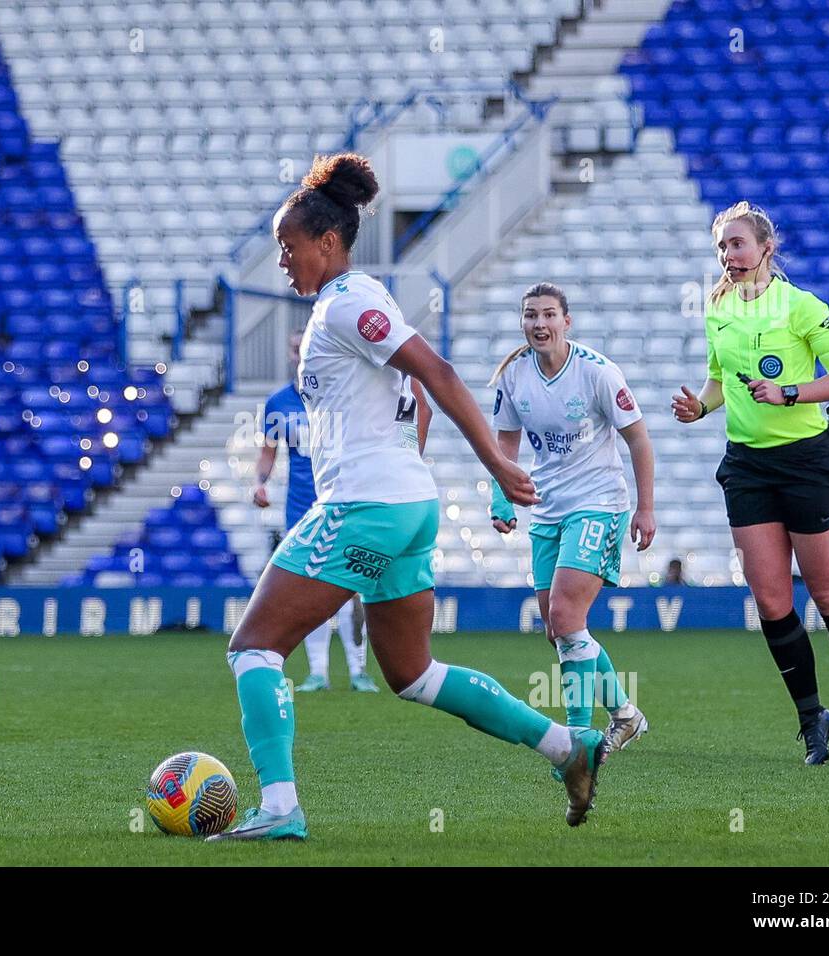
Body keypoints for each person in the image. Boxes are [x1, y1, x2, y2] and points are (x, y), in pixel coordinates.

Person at [210, 153, 608, 842]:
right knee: (413, 673)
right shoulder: (366, 298)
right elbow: (414, 392)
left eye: (289, 246)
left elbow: (437, 371)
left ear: (327, 243)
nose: (282, 261)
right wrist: (404, 475)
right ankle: (567, 746)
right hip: (400, 503)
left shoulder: (349, 303)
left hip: (366, 503)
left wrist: (494, 461)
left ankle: (279, 806)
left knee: (253, 647)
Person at [672, 200, 829, 765]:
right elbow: (720, 381)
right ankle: (812, 717)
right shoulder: (717, 307)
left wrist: (791, 392)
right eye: (721, 246)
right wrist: (699, 406)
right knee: (770, 600)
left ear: (766, 248)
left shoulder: (801, 307)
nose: (728, 256)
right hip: (747, 464)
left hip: (805, 461)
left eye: (737, 244)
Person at [487, 283, 653, 776]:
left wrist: (646, 509)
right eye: (531, 316)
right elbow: (506, 443)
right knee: (559, 630)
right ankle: (625, 713)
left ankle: (579, 740)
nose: (539, 324)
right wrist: (502, 498)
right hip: (547, 509)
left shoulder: (597, 372)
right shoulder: (514, 375)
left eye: (548, 315)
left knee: (564, 615)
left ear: (567, 321)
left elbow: (639, 440)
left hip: (599, 505)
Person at [253, 332, 387, 693]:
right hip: (301, 508)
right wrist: (260, 482)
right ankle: (318, 672)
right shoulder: (278, 403)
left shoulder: (341, 394)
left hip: (345, 503)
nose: (301, 355)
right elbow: (268, 452)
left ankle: (359, 670)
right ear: (289, 353)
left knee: (350, 590)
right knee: (308, 590)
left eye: (305, 348)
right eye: (295, 349)